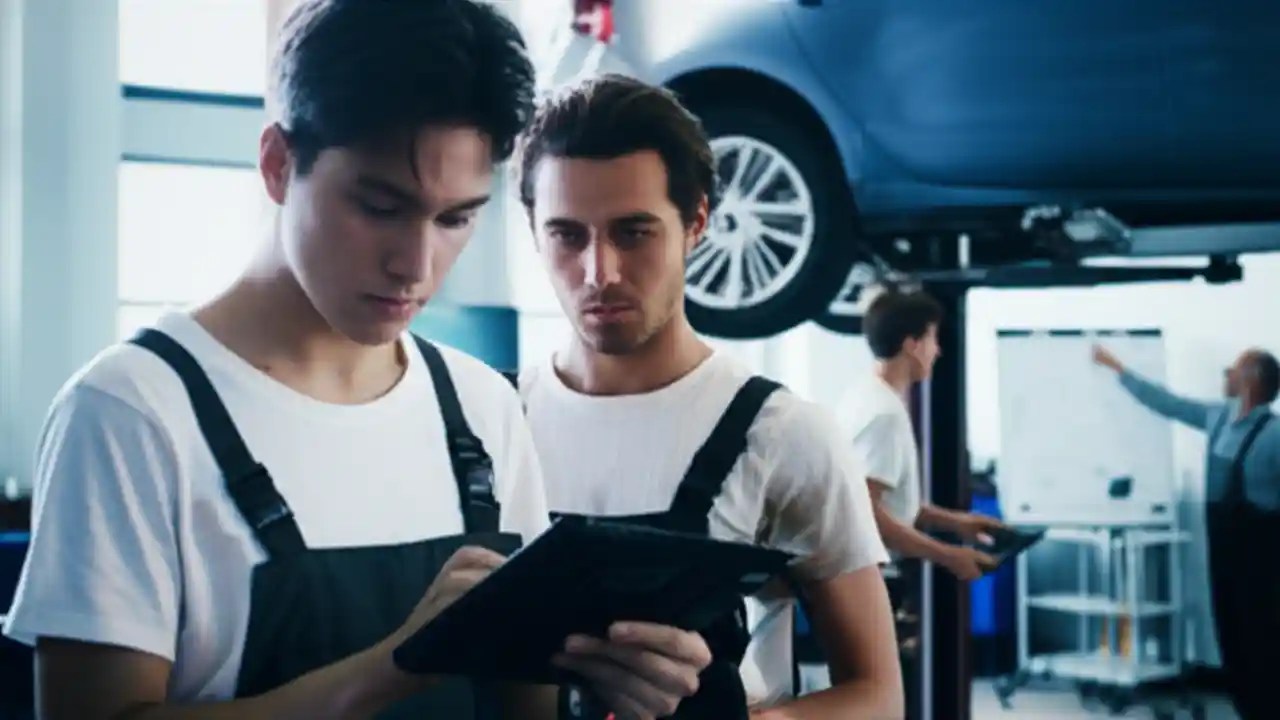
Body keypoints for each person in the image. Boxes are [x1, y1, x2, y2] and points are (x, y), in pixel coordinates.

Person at [1, 3, 712, 719]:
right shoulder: (132, 412)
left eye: (455, 218)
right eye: (379, 207)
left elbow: (522, 708)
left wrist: (606, 683)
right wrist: (390, 669)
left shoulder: (480, 410)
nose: (417, 265)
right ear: (279, 165)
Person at [512, 74, 905, 720]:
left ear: (696, 223)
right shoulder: (492, 424)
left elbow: (878, 696)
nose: (599, 272)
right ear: (533, 229)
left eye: (633, 233)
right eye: (567, 235)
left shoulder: (783, 434)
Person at [1092, 343, 1280, 720]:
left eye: (1234, 368)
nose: (1226, 374)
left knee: (1262, 640)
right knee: (1231, 638)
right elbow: (1167, 403)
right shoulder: (1218, 418)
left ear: (1250, 381)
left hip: (1261, 560)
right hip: (1223, 552)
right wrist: (1119, 369)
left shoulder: (1275, 436)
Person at [835, 290, 1007, 581]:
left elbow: (887, 502)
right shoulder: (884, 413)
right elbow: (866, 512)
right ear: (912, 345)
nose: (937, 351)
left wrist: (957, 523)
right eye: (932, 339)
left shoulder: (863, 395)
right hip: (860, 574)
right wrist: (949, 556)